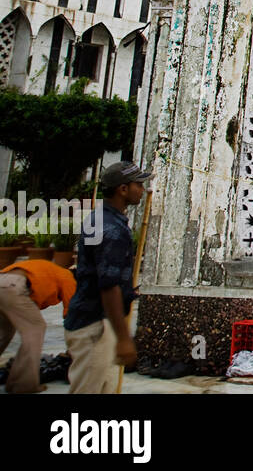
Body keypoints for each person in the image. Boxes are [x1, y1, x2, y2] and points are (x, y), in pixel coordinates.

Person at [64, 158, 150, 394]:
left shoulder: (101, 219)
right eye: (138, 185)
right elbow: (108, 286)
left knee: (105, 387)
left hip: (96, 320)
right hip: (96, 324)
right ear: (123, 189)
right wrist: (123, 337)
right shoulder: (110, 229)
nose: (142, 190)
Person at [0, 258, 76, 393]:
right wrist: (74, 350)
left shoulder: (52, 270)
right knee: (35, 329)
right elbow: (72, 318)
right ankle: (23, 384)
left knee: (5, 331)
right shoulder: (69, 278)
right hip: (14, 286)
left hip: (4, 280)